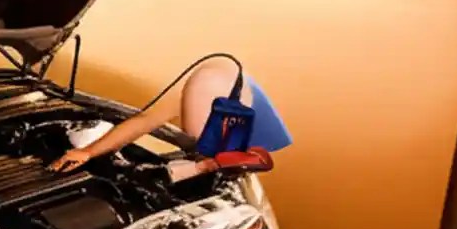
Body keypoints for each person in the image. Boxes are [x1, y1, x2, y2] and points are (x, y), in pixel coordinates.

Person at [49, 56, 291, 179]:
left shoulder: (236, 108)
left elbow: (258, 160)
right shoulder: (192, 93)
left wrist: (199, 167)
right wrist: (89, 152)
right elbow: (142, 123)